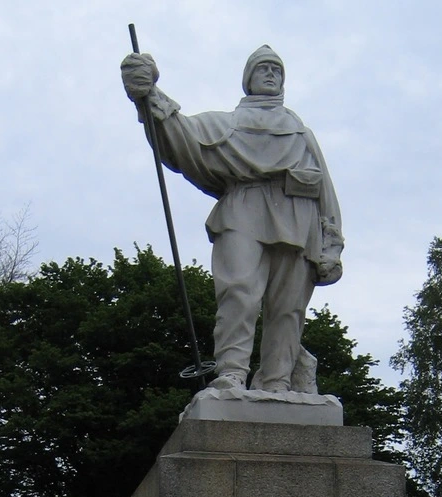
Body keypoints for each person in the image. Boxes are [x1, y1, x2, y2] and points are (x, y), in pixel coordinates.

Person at [121, 45, 344, 394]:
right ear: (248, 80)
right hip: (244, 210)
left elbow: (325, 191)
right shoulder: (226, 124)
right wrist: (147, 95)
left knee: (288, 308)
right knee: (239, 292)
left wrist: (332, 244)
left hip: (300, 222)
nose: (271, 74)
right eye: (262, 69)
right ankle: (232, 373)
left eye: (277, 69)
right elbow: (181, 136)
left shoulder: (301, 134)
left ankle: (277, 382)